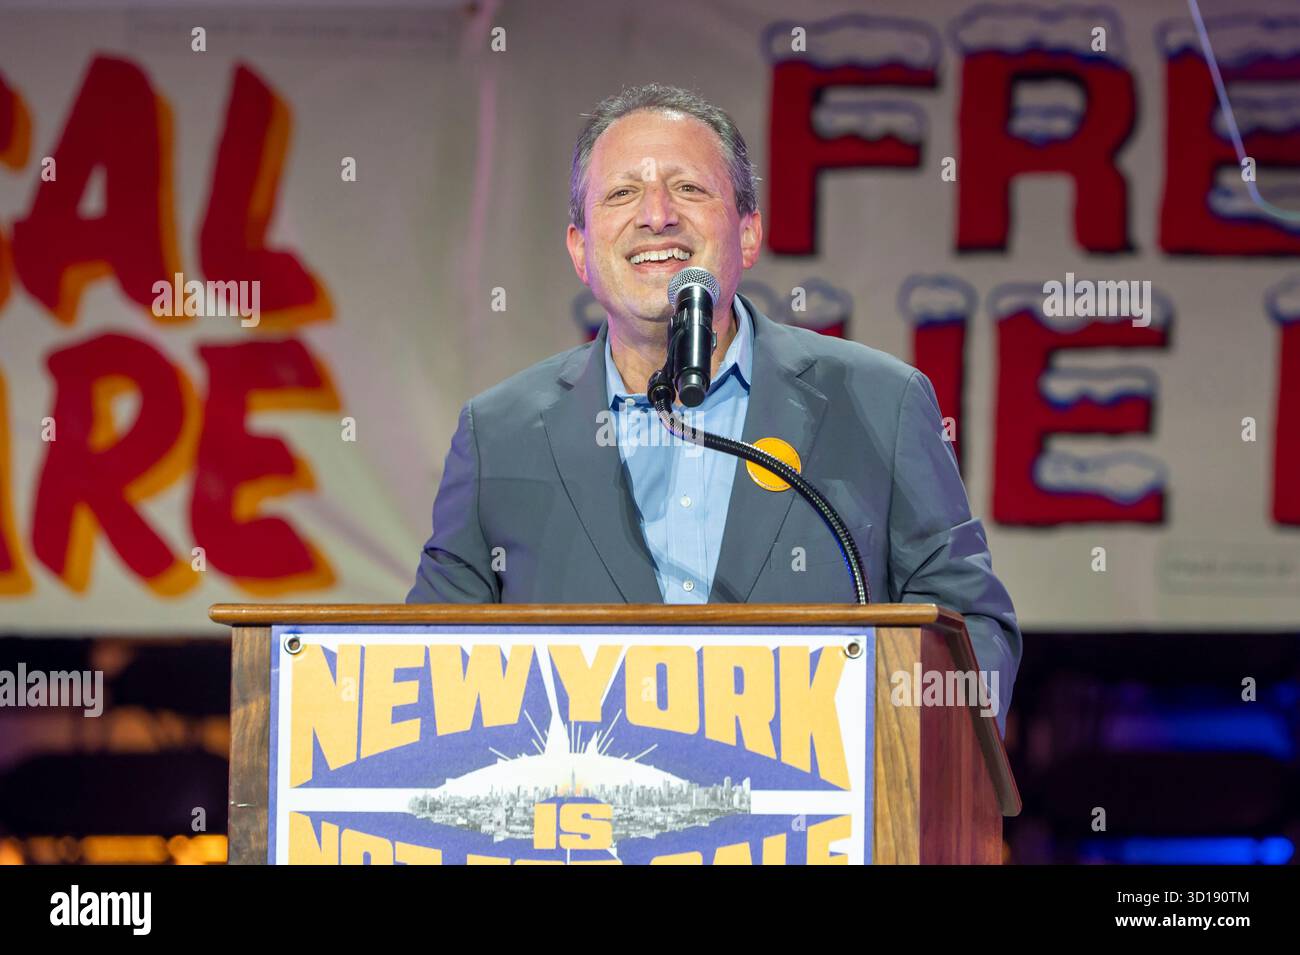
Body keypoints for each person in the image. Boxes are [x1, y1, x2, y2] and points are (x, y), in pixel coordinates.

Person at [406, 84, 1021, 733]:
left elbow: (971, 630)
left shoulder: (877, 403)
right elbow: (423, 662)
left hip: (819, 823)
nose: (657, 214)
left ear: (748, 233)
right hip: (580, 823)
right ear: (581, 249)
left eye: (689, 189)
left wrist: (891, 756)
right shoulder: (499, 434)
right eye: (621, 193)